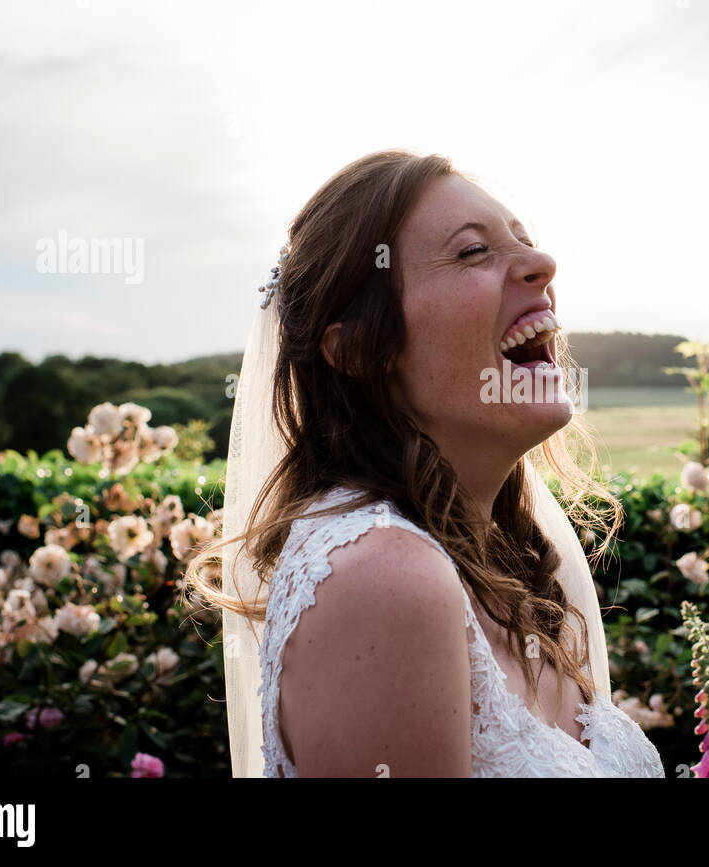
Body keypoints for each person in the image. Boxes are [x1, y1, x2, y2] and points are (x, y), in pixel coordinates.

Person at [185, 149, 664, 778]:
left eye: (526, 242)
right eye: (472, 252)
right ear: (359, 348)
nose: (543, 265)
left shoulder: (512, 565)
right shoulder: (382, 577)